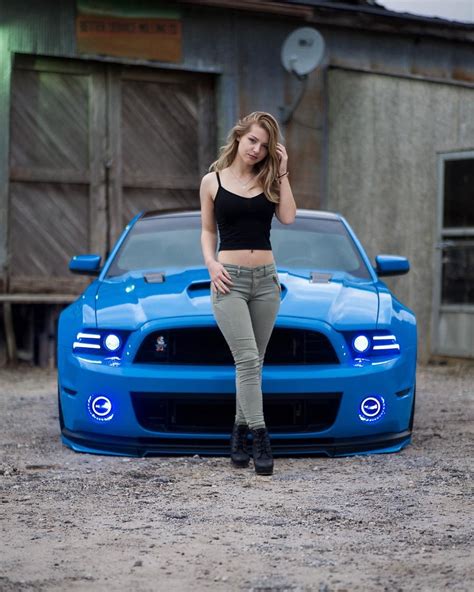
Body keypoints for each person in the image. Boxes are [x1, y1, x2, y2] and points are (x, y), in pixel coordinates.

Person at [200, 111, 297, 475]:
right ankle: (261, 437)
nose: (257, 149)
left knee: (255, 362)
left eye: (265, 145)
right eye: (252, 140)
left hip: (266, 282)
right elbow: (208, 231)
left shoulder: (270, 179)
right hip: (230, 281)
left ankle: (238, 435)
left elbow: (287, 217)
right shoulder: (212, 181)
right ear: (239, 137)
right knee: (247, 360)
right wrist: (210, 264)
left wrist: (283, 169)